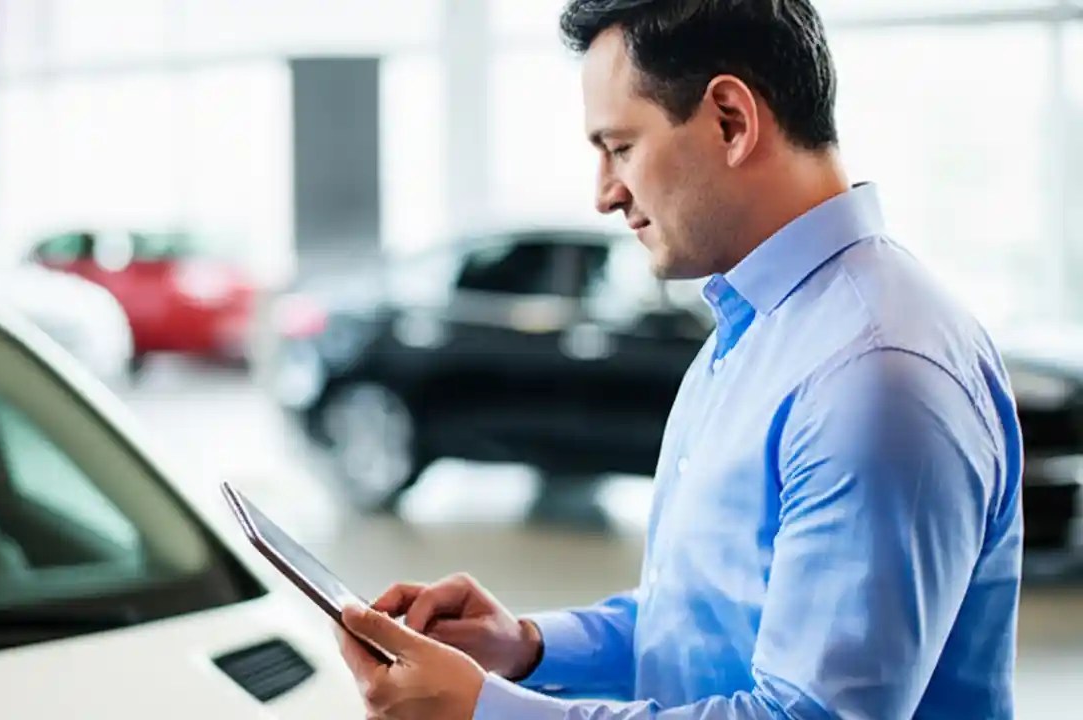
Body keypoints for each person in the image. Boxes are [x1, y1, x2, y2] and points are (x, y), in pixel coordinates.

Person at [332, 1, 1024, 717]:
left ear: (731, 121)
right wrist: (528, 647)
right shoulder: (758, 329)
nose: (605, 194)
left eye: (620, 147)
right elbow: (703, 619)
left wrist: (486, 711)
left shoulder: (874, 374)